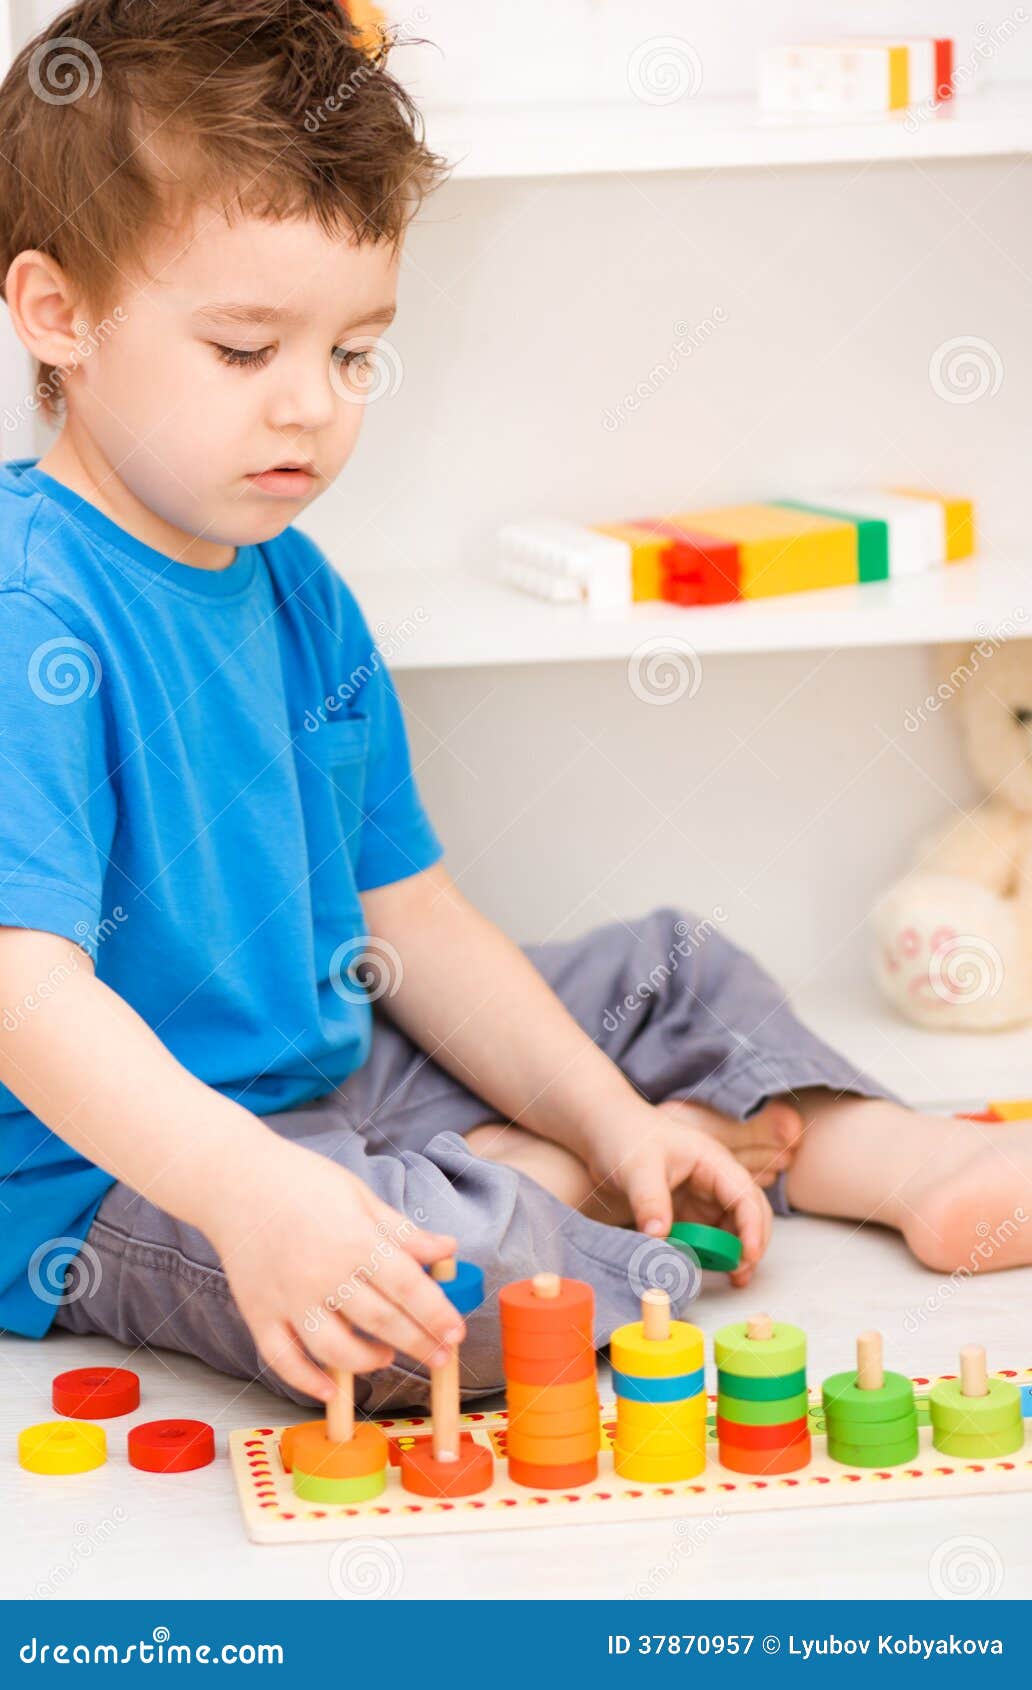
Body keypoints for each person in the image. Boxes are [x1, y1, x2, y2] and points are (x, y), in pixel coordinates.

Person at [0, 0, 1025, 1417]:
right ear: (58, 313)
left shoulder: (298, 591)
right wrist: (255, 1191)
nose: (315, 408)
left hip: (344, 1062)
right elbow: (25, 998)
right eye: (248, 351)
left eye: (354, 354)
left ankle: (882, 1156)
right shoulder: (30, 610)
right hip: (123, 1169)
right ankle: (537, 1184)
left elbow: (407, 915)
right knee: (439, 1294)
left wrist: (601, 1107)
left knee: (670, 965)